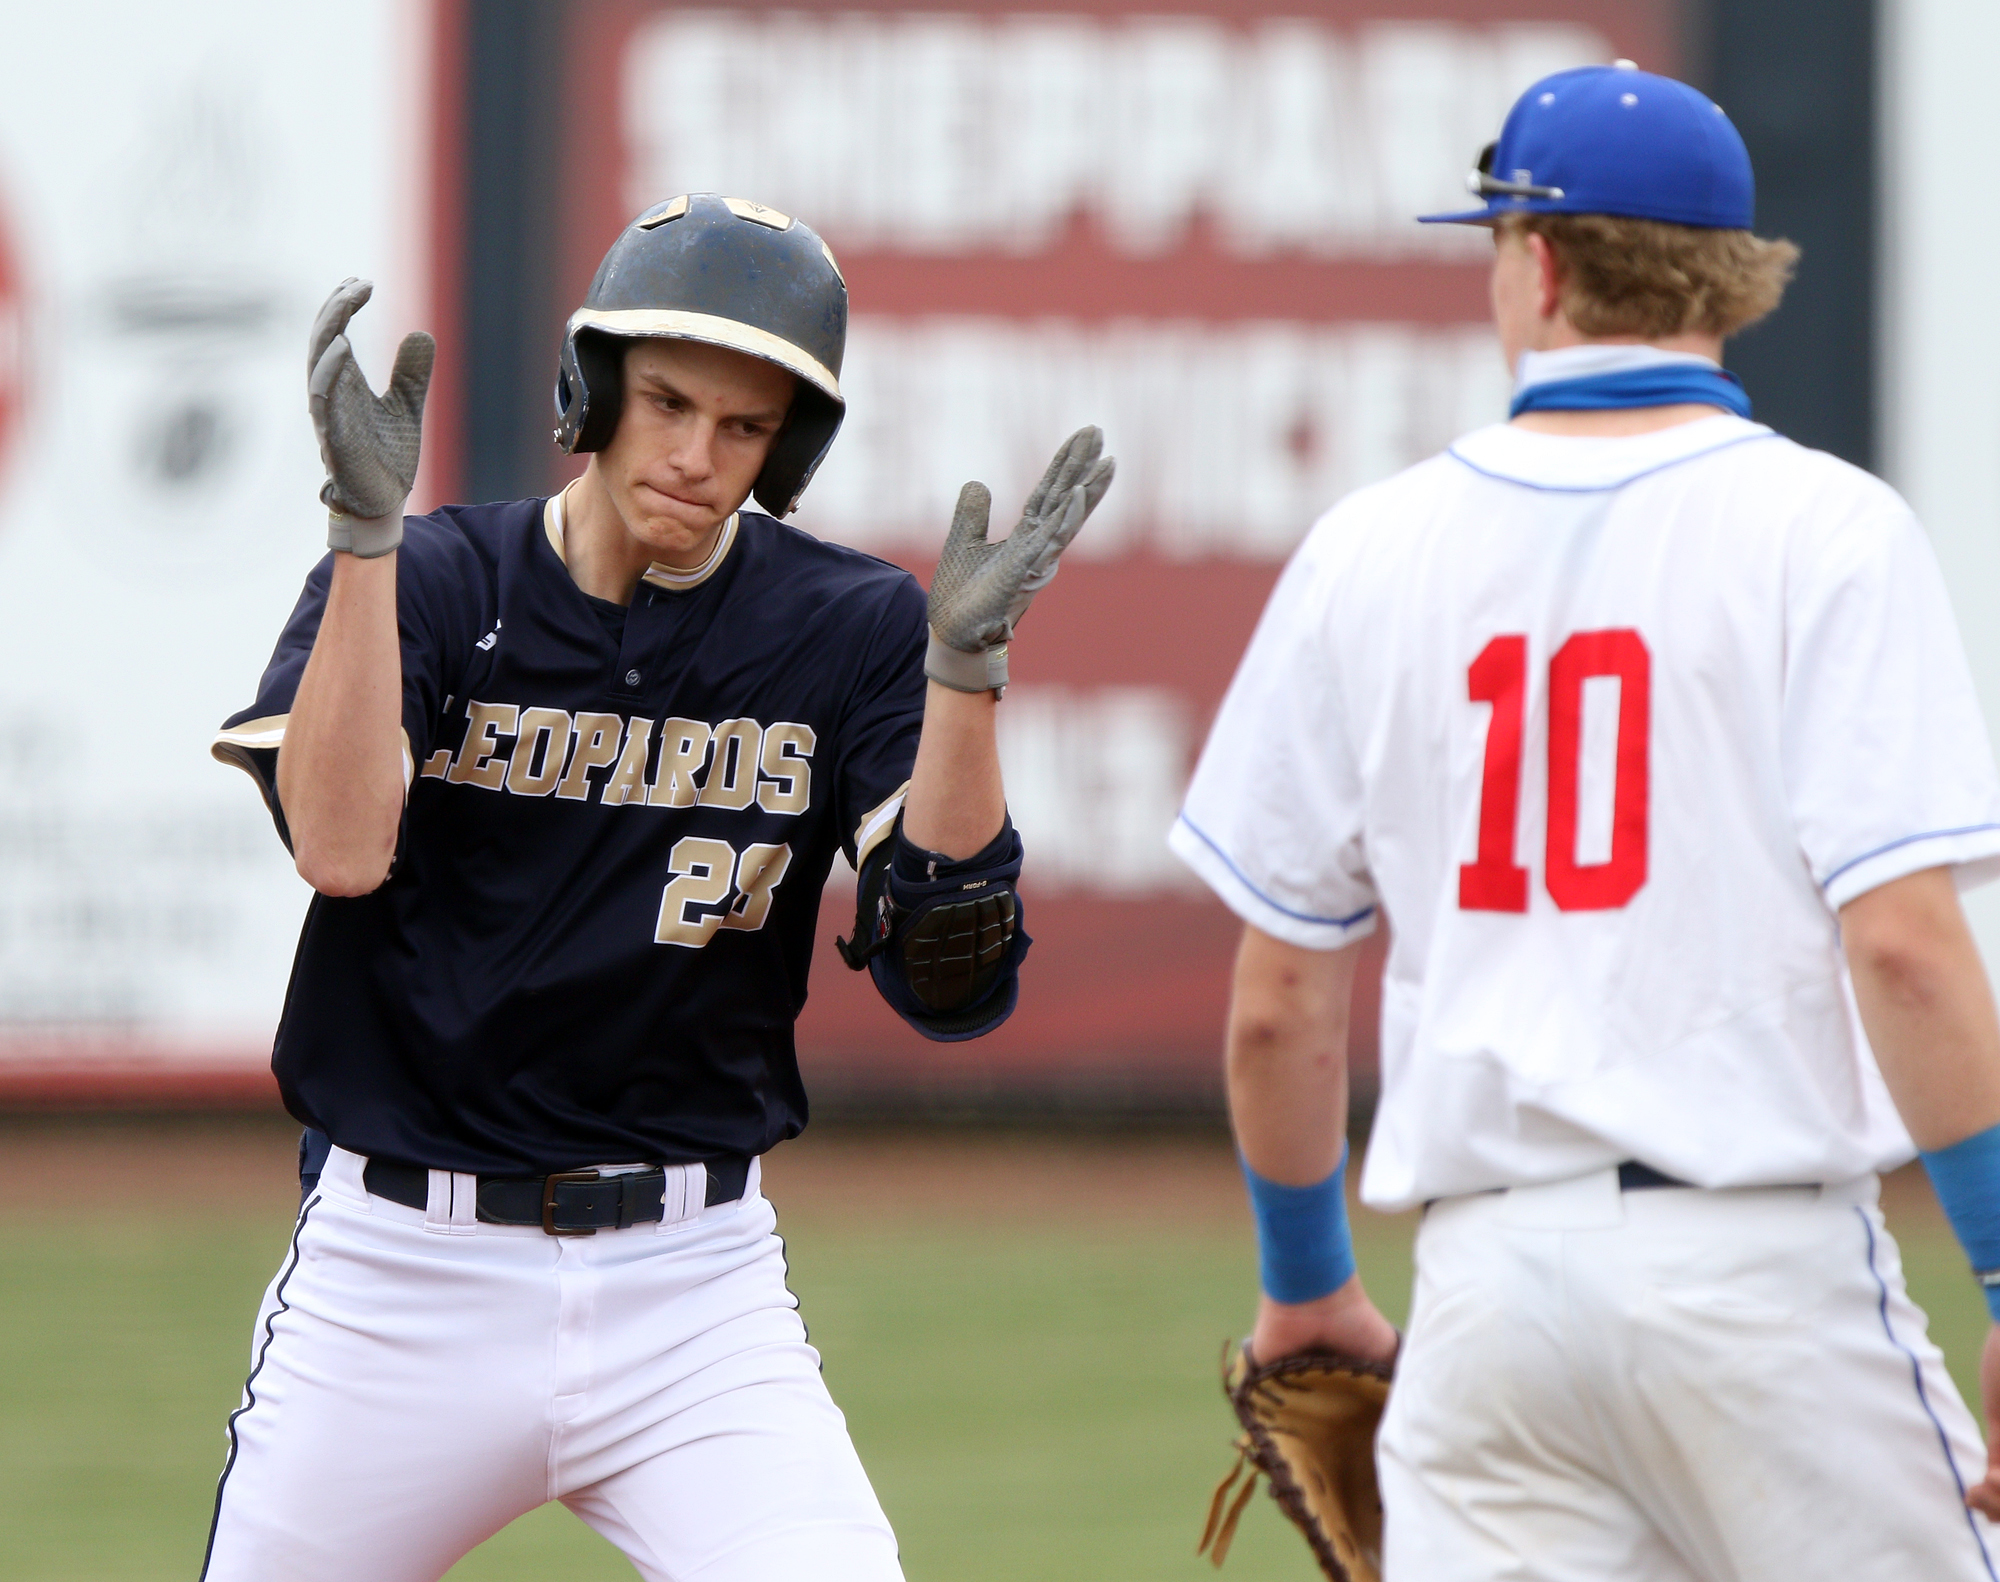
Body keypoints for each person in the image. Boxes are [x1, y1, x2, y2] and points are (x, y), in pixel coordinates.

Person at [201, 193, 1112, 1582]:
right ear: (594, 387)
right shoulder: (438, 579)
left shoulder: (852, 627)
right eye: (669, 400)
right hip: (399, 1275)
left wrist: (964, 684)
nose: (695, 455)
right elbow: (339, 845)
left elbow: (952, 977)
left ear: (789, 447)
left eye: (743, 427)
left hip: (693, 1291)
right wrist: (362, 544)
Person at [1171, 62, 2000, 1580]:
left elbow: (1279, 1005)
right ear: (1732, 284)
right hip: (1759, 1275)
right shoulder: (1828, 528)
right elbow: (1909, 953)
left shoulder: (1371, 547)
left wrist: (1306, 1290)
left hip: (1489, 1297)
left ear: (1539, 261)